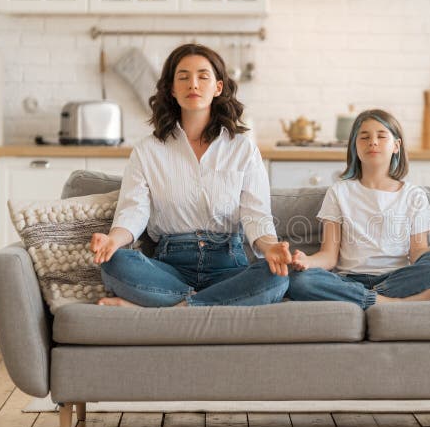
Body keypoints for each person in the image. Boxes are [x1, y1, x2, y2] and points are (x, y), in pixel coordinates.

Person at [89, 43, 291, 307]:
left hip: (229, 266)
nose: (193, 84)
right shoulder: (148, 150)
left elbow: (256, 215)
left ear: (218, 87)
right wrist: (112, 240)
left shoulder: (242, 149)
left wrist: (269, 247)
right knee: (115, 263)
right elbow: (133, 211)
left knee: (276, 279)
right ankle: (205, 304)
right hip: (171, 267)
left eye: (202, 76)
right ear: (172, 89)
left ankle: (176, 307)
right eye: (183, 77)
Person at [286, 109, 430, 309]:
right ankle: (392, 302)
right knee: (298, 279)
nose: (373, 142)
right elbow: (329, 256)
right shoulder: (339, 192)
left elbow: (417, 255)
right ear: (355, 146)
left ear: (396, 146)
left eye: (381, 136)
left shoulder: (413, 195)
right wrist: (308, 261)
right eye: (364, 137)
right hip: (350, 279)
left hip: (397, 278)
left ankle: (364, 298)